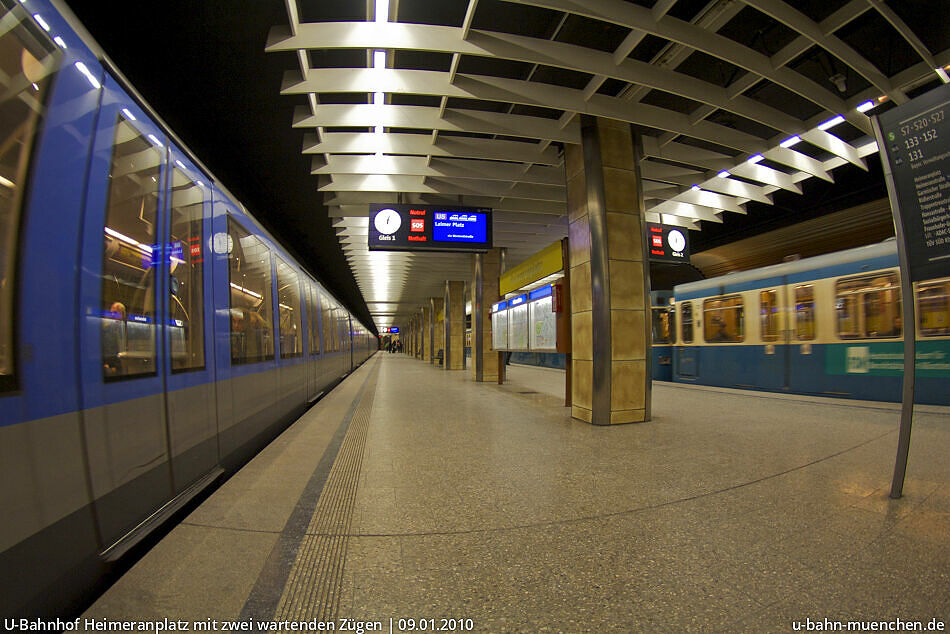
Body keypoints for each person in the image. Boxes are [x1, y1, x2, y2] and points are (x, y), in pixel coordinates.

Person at [102, 301, 127, 376]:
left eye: (116, 312)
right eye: (112, 313)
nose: (112, 315)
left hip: (121, 365)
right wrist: (108, 366)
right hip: (114, 367)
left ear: (122, 314)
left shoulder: (127, 328)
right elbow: (106, 349)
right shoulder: (107, 330)